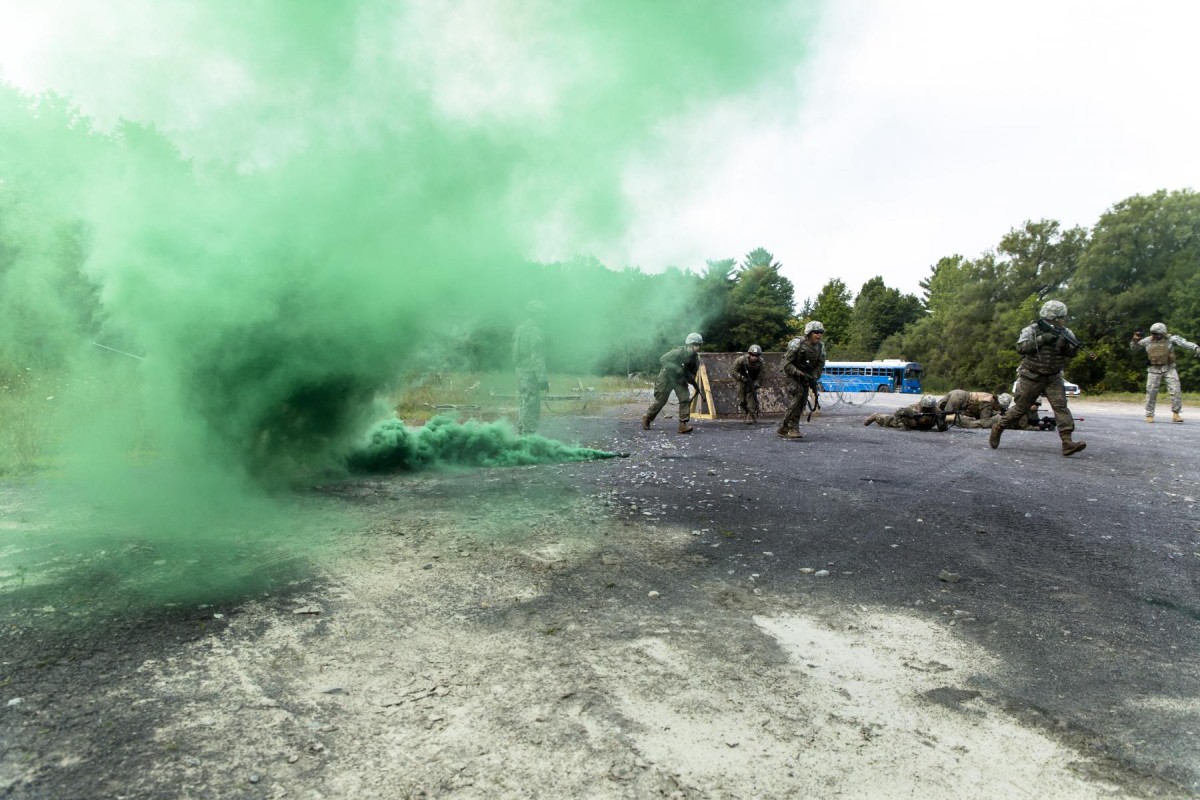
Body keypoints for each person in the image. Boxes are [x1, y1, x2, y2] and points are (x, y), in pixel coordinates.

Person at [989, 300, 1085, 456]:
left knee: (1061, 407)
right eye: (1061, 317)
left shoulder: (1066, 333)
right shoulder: (1032, 330)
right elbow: (1021, 348)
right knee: (1020, 408)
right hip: (1031, 376)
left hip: (1053, 377)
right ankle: (999, 426)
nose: (1064, 319)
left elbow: (1072, 354)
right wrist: (1042, 340)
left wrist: (1065, 346)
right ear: (1053, 317)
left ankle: (1067, 442)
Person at [1130, 322, 1200, 423]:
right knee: (1151, 393)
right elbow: (1134, 349)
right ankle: (1149, 415)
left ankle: (1176, 414)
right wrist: (1135, 339)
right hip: (1153, 370)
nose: (1154, 335)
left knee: (1175, 390)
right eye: (1153, 333)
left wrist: (1196, 348)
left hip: (1169, 368)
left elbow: (1184, 343)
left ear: (1162, 333)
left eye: (1156, 334)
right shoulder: (1147, 341)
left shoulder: (1171, 339)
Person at [643, 333, 703, 434]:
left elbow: (692, 373)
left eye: (699, 345)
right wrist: (677, 368)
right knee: (661, 400)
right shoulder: (678, 352)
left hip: (679, 379)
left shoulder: (696, 359)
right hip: (667, 377)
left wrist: (690, 380)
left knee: (685, 399)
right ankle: (647, 417)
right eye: (696, 344)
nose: (698, 347)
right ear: (689, 344)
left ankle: (683, 424)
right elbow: (663, 359)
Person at [777, 321, 826, 440]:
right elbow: (786, 364)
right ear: (809, 333)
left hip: (806, 376)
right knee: (798, 394)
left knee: (803, 401)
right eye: (816, 332)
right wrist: (799, 373)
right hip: (790, 374)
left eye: (820, 332)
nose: (818, 335)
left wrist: (814, 376)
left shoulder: (820, 347)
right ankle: (784, 425)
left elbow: (820, 364)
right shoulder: (797, 344)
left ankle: (793, 428)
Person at [511, 300, 548, 435]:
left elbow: (514, 354)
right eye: (543, 314)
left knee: (523, 402)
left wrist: (519, 369)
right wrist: (542, 378)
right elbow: (537, 356)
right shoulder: (535, 331)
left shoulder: (520, 328)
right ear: (538, 314)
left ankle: (522, 432)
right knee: (531, 404)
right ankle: (529, 436)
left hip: (520, 371)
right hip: (530, 372)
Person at [864, 394, 949, 431]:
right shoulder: (913, 408)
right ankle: (875, 416)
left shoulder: (936, 410)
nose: (928, 410)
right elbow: (898, 412)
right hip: (909, 422)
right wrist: (901, 425)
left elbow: (942, 428)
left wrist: (942, 419)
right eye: (926, 408)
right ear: (922, 405)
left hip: (922, 426)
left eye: (930, 408)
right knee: (889, 421)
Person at [730, 344, 765, 424]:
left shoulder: (761, 363)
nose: (754, 357)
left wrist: (757, 383)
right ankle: (747, 412)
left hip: (753, 381)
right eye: (752, 355)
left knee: (751, 400)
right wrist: (742, 378)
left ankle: (750, 414)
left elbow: (761, 375)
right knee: (741, 401)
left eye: (757, 355)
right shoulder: (741, 360)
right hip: (742, 380)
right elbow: (733, 371)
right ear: (749, 354)